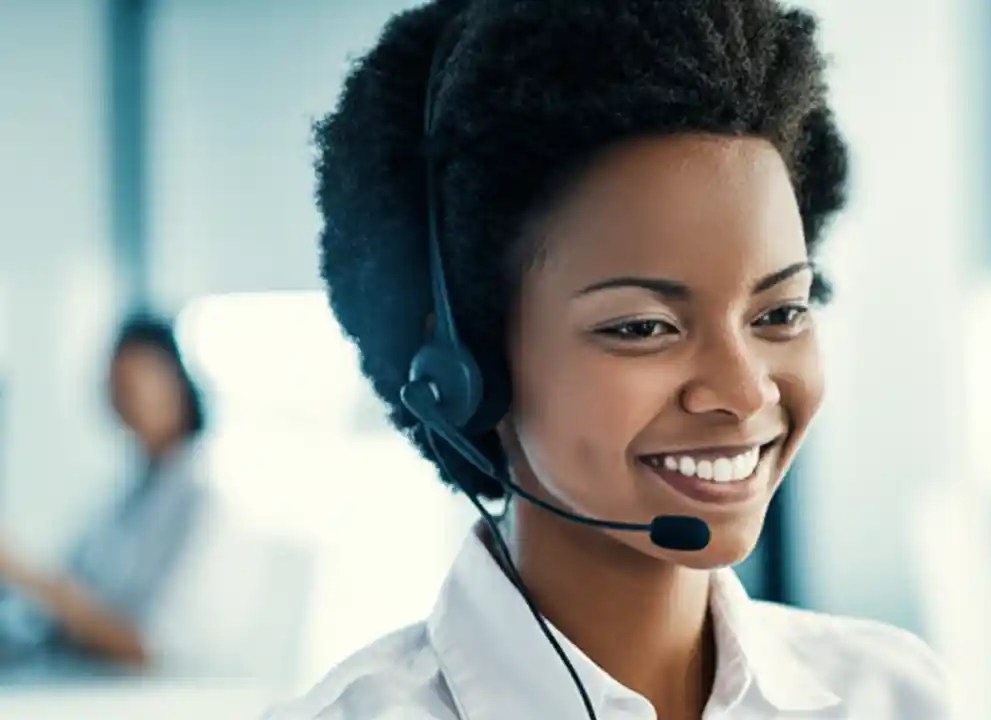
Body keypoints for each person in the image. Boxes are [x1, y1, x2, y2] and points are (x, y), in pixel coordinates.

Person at [269, 1, 950, 718]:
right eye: (643, 327)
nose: (745, 392)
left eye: (778, 314)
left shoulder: (895, 693)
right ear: (463, 365)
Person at [0, 316, 210, 668]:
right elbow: (69, 593)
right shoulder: (127, 494)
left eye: (133, 386)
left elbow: (147, 647)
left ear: (177, 382)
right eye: (114, 387)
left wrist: (24, 573)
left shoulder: (203, 498)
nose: (121, 404)